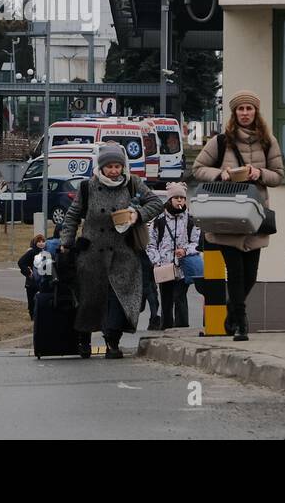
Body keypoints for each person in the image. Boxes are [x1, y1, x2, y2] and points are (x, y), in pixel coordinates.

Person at [192, 90, 284, 342]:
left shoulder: (268, 141)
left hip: (255, 216)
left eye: (249, 109)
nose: (245, 113)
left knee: (250, 275)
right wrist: (220, 174)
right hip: (227, 215)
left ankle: (232, 312)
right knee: (235, 271)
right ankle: (241, 324)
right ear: (234, 114)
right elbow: (198, 169)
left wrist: (259, 174)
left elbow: (278, 175)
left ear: (256, 112)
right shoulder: (220, 141)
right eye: (240, 109)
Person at [59, 142, 163, 359]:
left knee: (120, 299)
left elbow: (156, 202)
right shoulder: (87, 187)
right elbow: (72, 215)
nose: (114, 171)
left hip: (123, 252)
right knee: (89, 299)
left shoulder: (133, 183)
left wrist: (138, 215)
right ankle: (83, 340)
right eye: (110, 167)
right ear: (102, 167)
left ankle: (112, 341)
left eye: (118, 166)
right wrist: (66, 242)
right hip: (92, 251)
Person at [145, 181, 200, 329]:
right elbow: (150, 244)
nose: (180, 201)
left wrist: (186, 250)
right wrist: (156, 261)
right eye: (176, 198)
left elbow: (197, 242)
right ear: (170, 200)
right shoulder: (159, 221)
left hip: (183, 266)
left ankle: (182, 328)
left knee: (180, 296)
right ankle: (166, 327)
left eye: (182, 198)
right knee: (166, 299)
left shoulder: (191, 220)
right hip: (164, 267)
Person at [18, 233, 47, 316]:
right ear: (35, 243)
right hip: (32, 281)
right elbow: (21, 262)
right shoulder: (31, 252)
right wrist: (28, 272)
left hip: (43, 280)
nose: (41, 243)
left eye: (43, 241)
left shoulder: (46, 252)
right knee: (31, 300)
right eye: (39, 241)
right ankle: (32, 314)